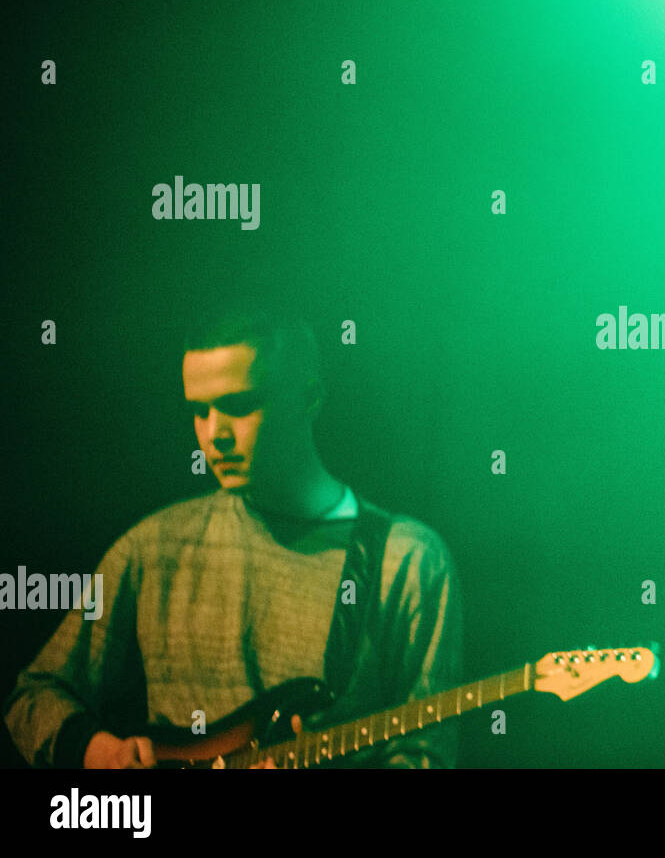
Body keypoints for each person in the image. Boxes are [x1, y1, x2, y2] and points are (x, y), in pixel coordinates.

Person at [4, 308, 463, 768]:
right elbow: (33, 696)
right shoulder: (156, 547)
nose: (213, 435)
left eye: (240, 406)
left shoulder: (406, 560)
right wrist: (97, 751)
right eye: (199, 411)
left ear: (310, 398)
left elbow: (426, 754)